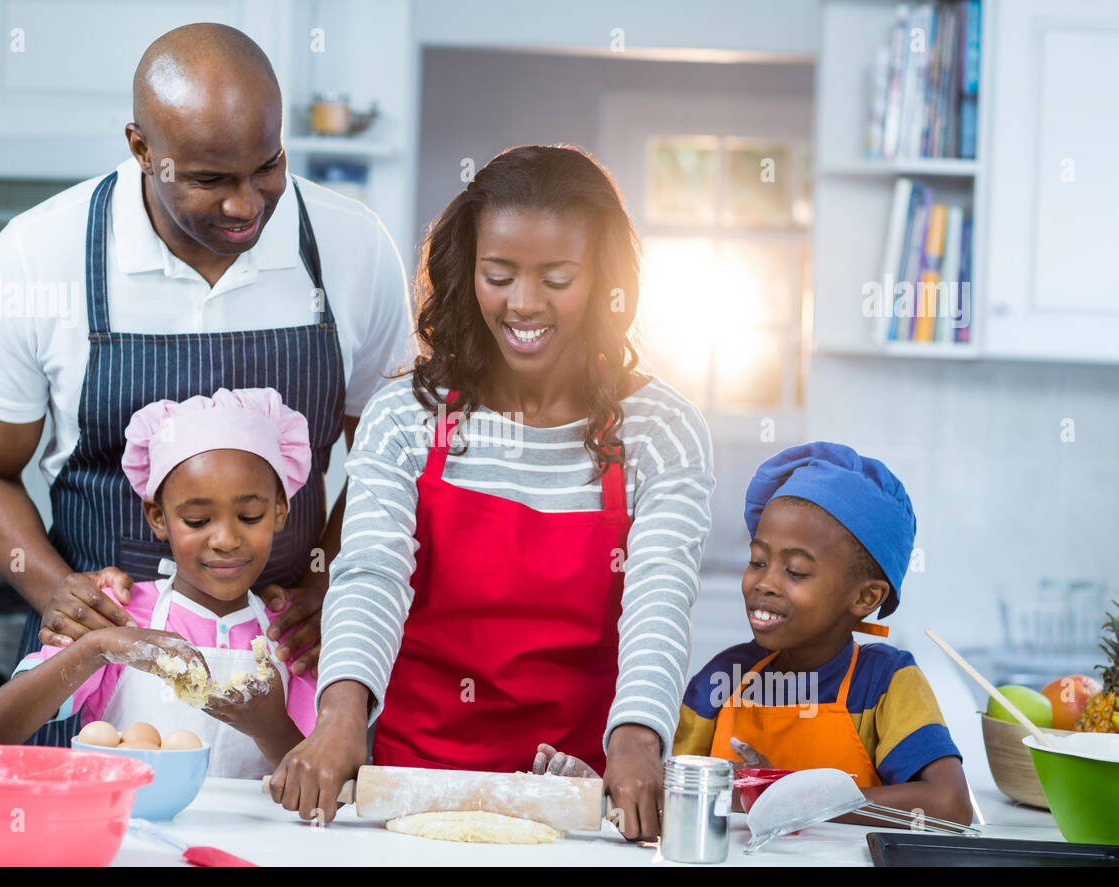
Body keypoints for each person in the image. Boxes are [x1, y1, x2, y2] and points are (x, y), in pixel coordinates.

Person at [0, 23, 412, 747]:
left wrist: (328, 581)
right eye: (210, 180)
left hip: (285, 678)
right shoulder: (38, 257)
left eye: (268, 166)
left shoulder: (352, 249)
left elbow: (392, 464)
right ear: (141, 149)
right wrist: (53, 590)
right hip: (99, 675)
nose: (246, 205)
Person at [269, 145, 715, 841]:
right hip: (411, 786)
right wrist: (339, 717)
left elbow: (659, 595)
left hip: (584, 792)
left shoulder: (662, 431)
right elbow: (370, 575)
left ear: (604, 281)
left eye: (558, 278)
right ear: (466, 272)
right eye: (498, 275)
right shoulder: (404, 418)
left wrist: (638, 742)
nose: (524, 304)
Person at [0, 387, 317, 777]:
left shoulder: (292, 632)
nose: (225, 540)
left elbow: (323, 783)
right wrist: (97, 647)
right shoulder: (118, 614)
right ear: (157, 517)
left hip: (251, 841)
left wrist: (271, 730)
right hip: (127, 835)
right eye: (197, 521)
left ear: (278, 512)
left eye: (250, 516)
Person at [673, 442, 974, 826]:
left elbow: (949, 805)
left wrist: (787, 798)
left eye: (795, 571)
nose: (764, 583)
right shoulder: (722, 678)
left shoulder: (886, 683)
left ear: (865, 597)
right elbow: (676, 790)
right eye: (758, 561)